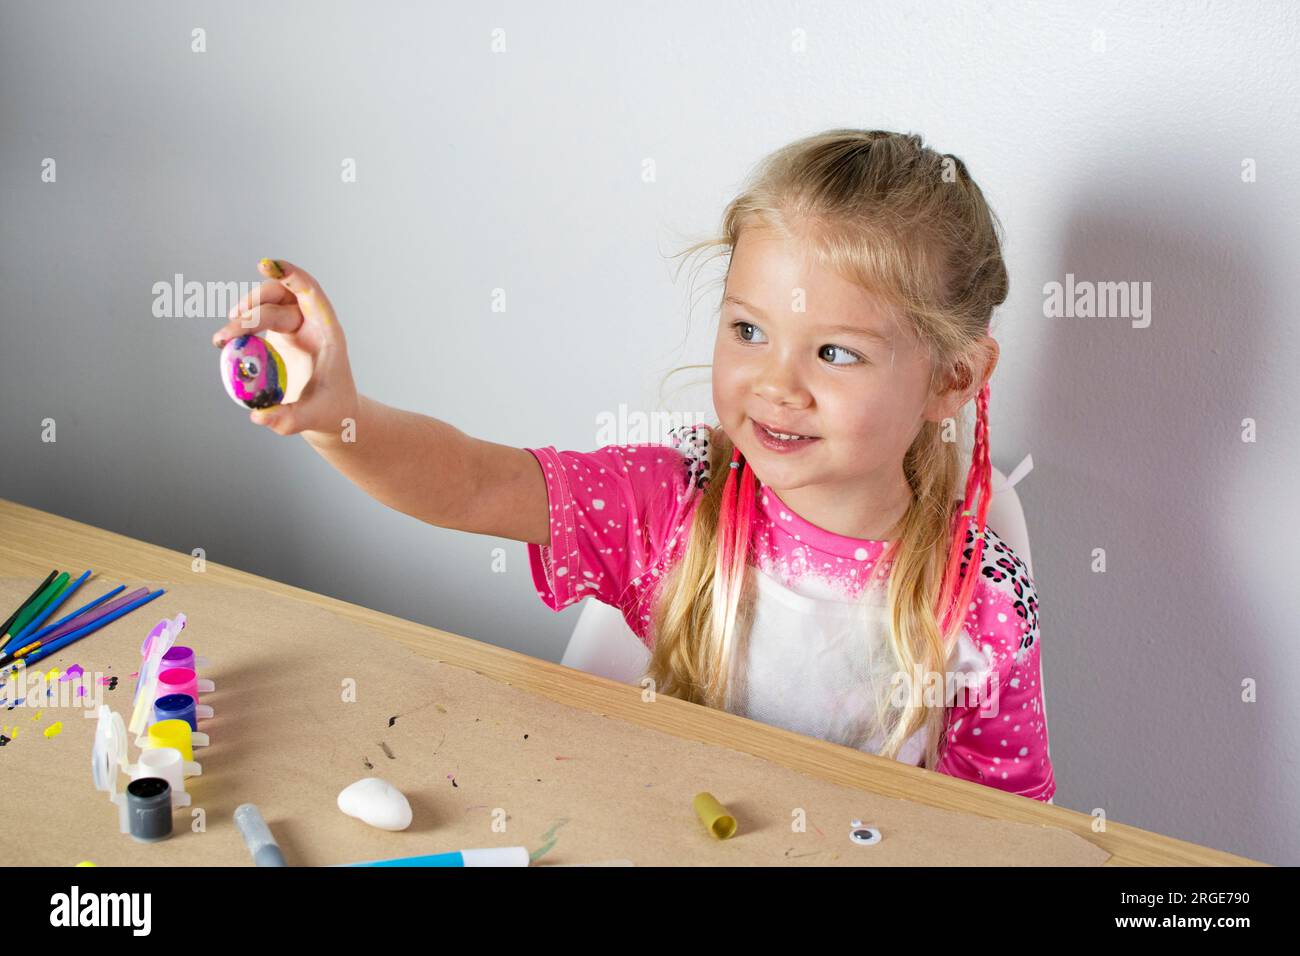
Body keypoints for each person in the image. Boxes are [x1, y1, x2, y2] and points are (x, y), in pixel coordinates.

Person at [210, 129, 1054, 804]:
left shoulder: (983, 607)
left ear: (952, 378)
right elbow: (474, 482)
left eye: (834, 352)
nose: (775, 385)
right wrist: (337, 415)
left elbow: (1010, 837)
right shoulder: (672, 502)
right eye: (749, 331)